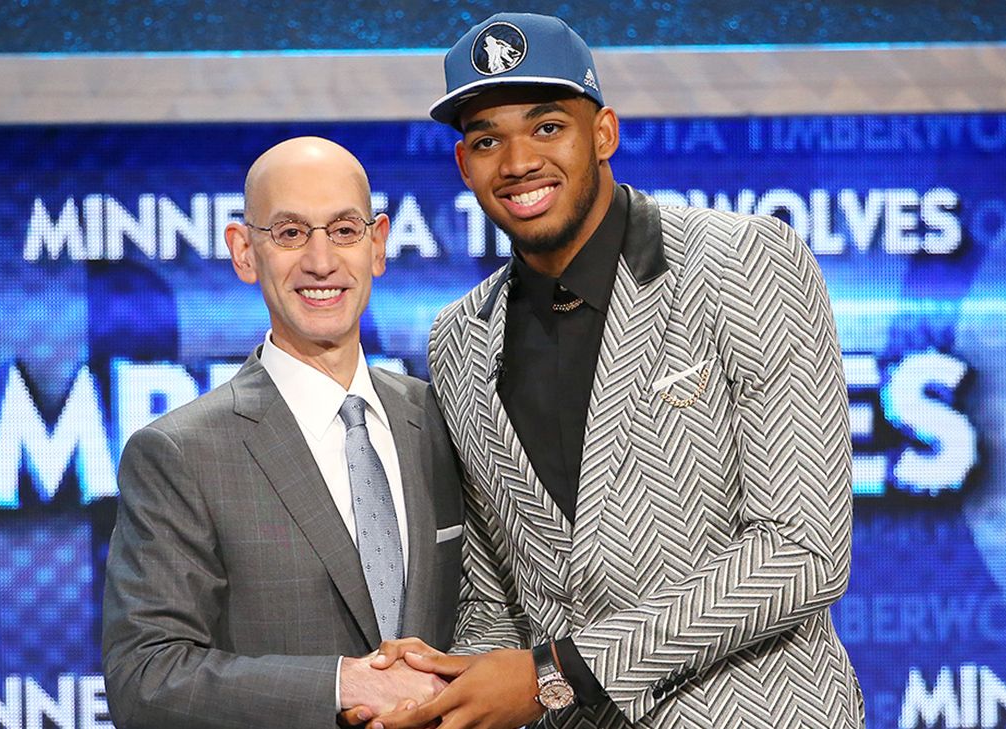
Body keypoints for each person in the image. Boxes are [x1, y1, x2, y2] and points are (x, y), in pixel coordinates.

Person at [367, 12, 864, 729]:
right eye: (486, 140)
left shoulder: (742, 261)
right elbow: (495, 594)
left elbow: (802, 549)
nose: (517, 163)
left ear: (603, 134)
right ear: (463, 165)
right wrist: (441, 691)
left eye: (546, 127)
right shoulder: (459, 338)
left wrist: (559, 672)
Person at [101, 137, 464, 728]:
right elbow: (145, 678)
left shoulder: (441, 421)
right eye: (291, 233)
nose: (321, 261)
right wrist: (342, 683)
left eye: (344, 230)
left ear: (378, 244)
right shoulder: (180, 454)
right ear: (244, 252)